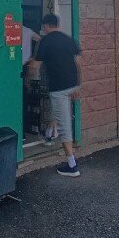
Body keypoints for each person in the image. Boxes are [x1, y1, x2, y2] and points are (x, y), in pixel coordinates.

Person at [30, 13, 82, 177]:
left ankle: (72, 166)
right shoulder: (69, 39)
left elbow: (35, 66)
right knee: (57, 111)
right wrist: (78, 85)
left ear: (46, 26)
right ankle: (49, 135)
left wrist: (29, 76)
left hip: (58, 87)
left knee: (65, 125)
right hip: (72, 84)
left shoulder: (44, 41)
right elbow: (78, 63)